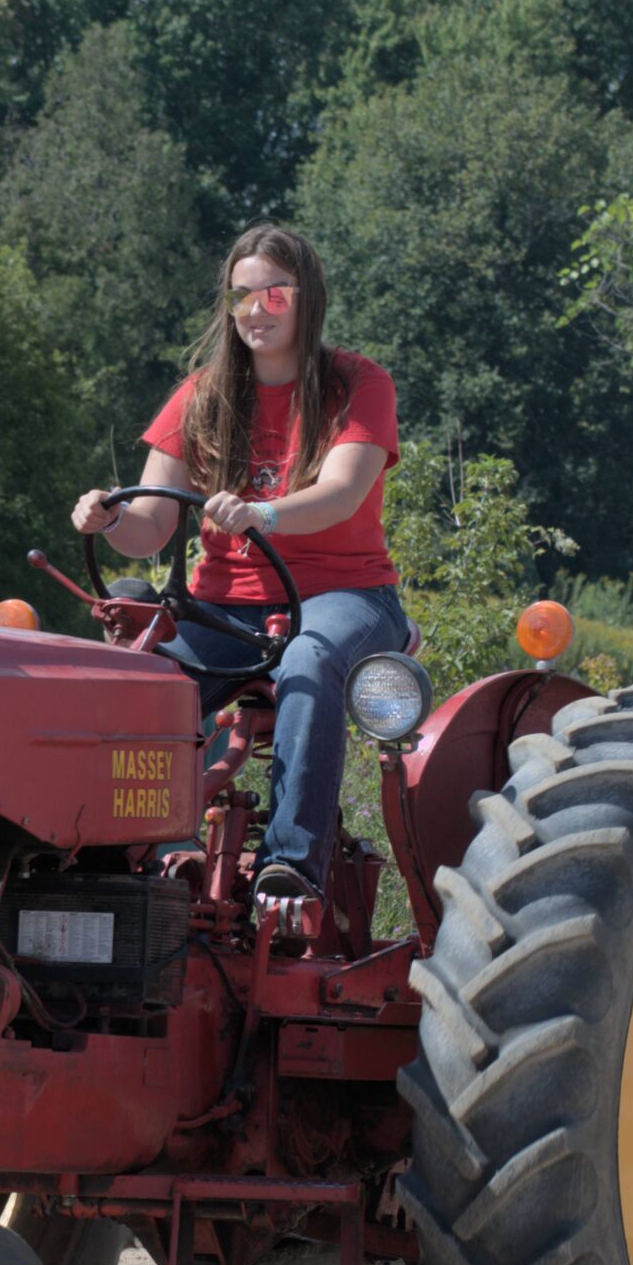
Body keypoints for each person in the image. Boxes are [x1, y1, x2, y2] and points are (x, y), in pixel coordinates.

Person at [71, 224, 411, 909]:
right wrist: (108, 519)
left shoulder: (357, 385)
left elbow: (342, 494)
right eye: (242, 295)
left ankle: (290, 867)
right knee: (142, 670)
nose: (256, 310)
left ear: (306, 300)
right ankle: (150, 852)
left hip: (342, 595)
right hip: (222, 606)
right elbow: (151, 527)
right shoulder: (202, 395)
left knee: (309, 658)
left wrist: (266, 514)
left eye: (274, 295)